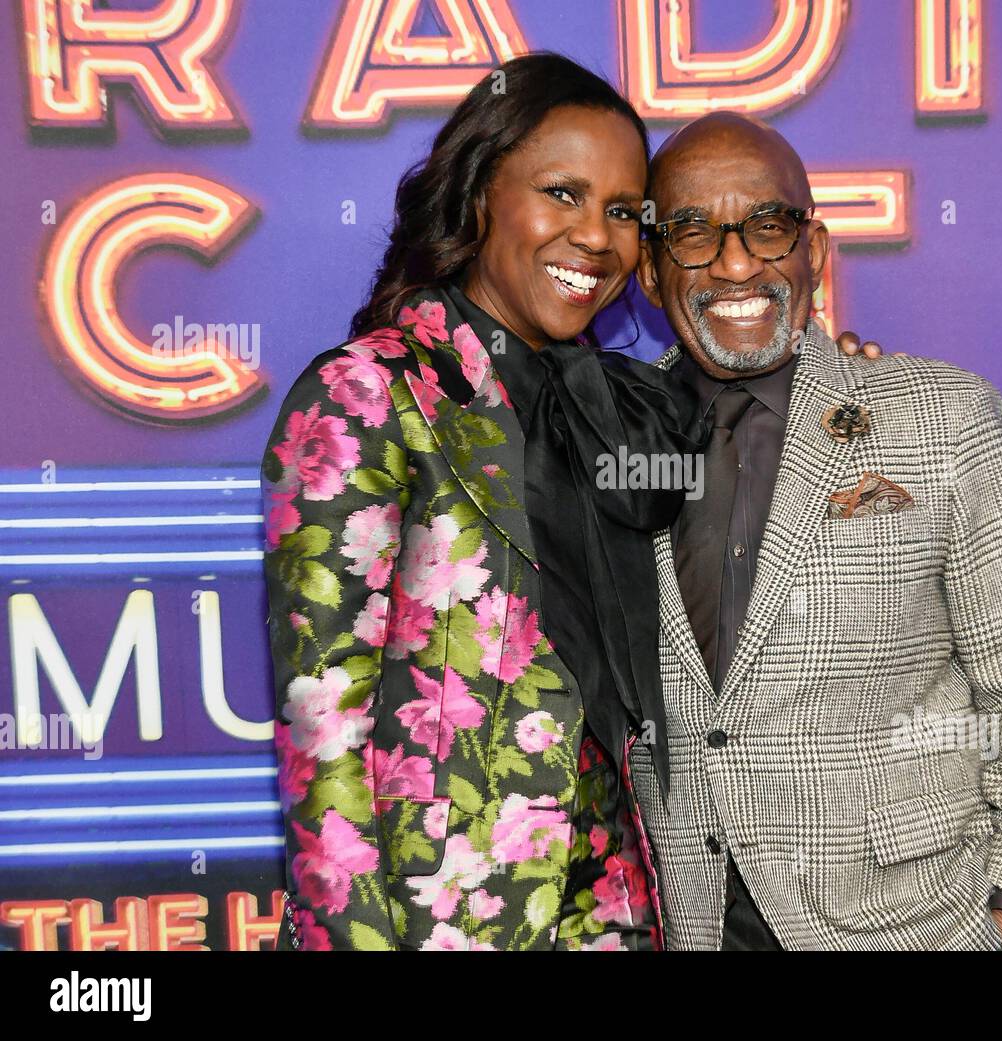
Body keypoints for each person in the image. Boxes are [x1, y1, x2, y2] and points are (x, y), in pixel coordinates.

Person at [260, 56, 877, 951]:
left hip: (621, 912)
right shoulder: (366, 395)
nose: (596, 236)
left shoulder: (628, 410)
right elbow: (325, 738)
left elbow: (754, 437)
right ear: (480, 200)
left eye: (624, 211)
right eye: (563, 193)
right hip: (438, 922)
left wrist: (837, 381)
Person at [628, 112, 1002, 951]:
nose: (736, 263)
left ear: (816, 250)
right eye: (692, 233)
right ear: (652, 275)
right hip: (687, 922)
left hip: (917, 924)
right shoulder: (600, 433)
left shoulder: (943, 417)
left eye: (768, 227)